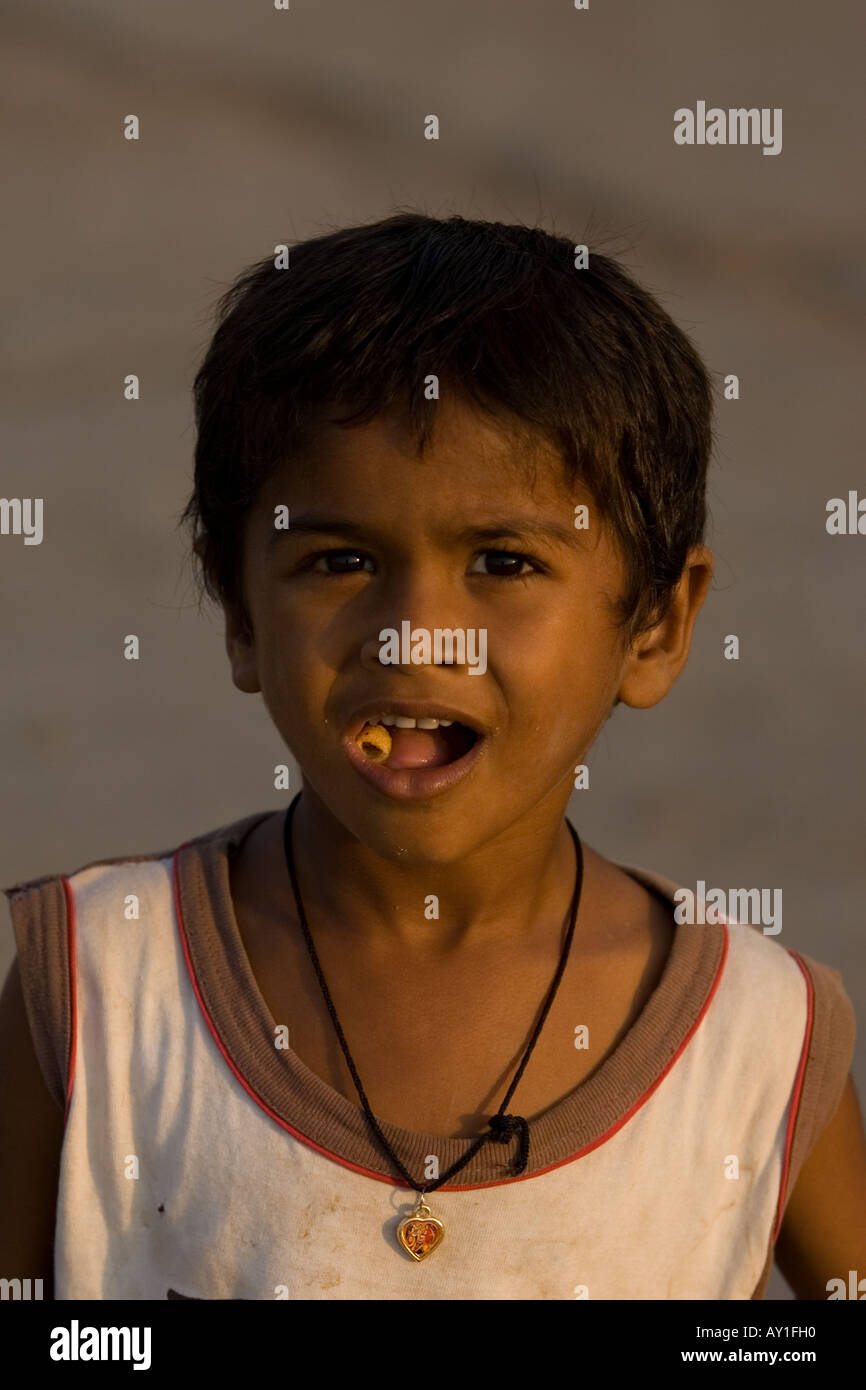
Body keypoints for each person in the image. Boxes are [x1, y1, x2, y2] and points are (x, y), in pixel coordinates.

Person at [2, 213, 864, 1300]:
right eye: (340, 559)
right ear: (238, 615)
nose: (415, 632)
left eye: (502, 560)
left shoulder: (753, 1041)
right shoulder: (98, 988)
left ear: (654, 624)